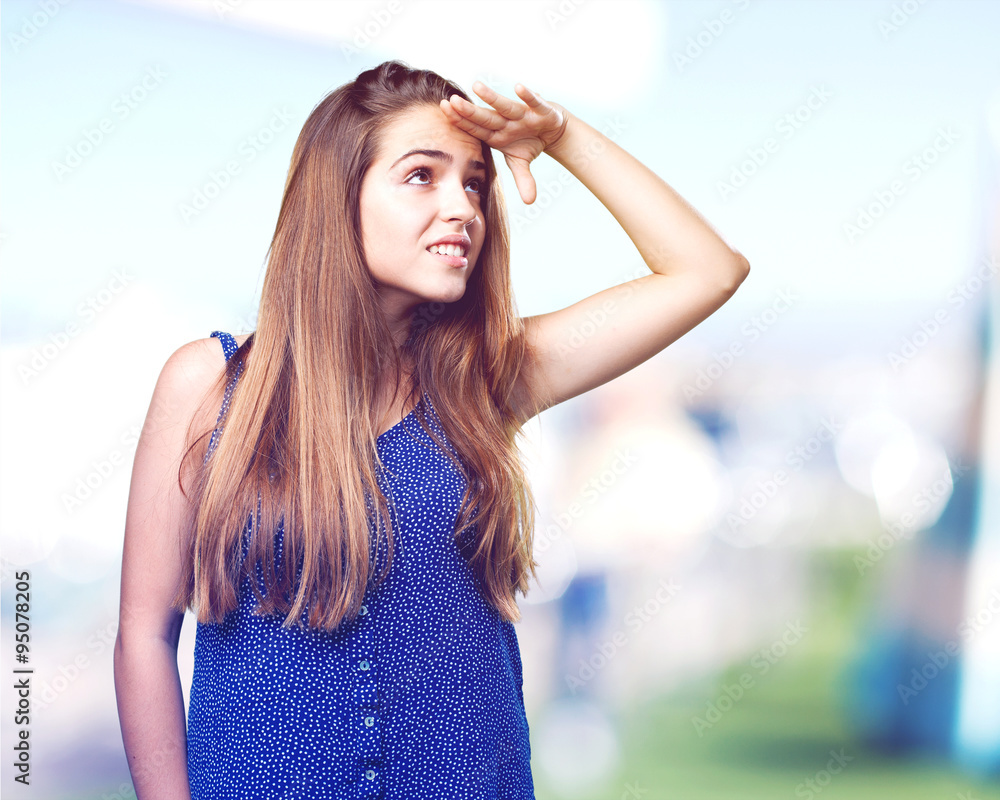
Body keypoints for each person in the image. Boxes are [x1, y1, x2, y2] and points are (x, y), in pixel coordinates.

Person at [113, 59, 749, 799]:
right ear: (338, 197)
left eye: (475, 183)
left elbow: (708, 270)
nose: (464, 208)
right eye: (423, 176)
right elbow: (143, 634)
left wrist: (564, 136)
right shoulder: (210, 385)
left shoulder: (485, 379)